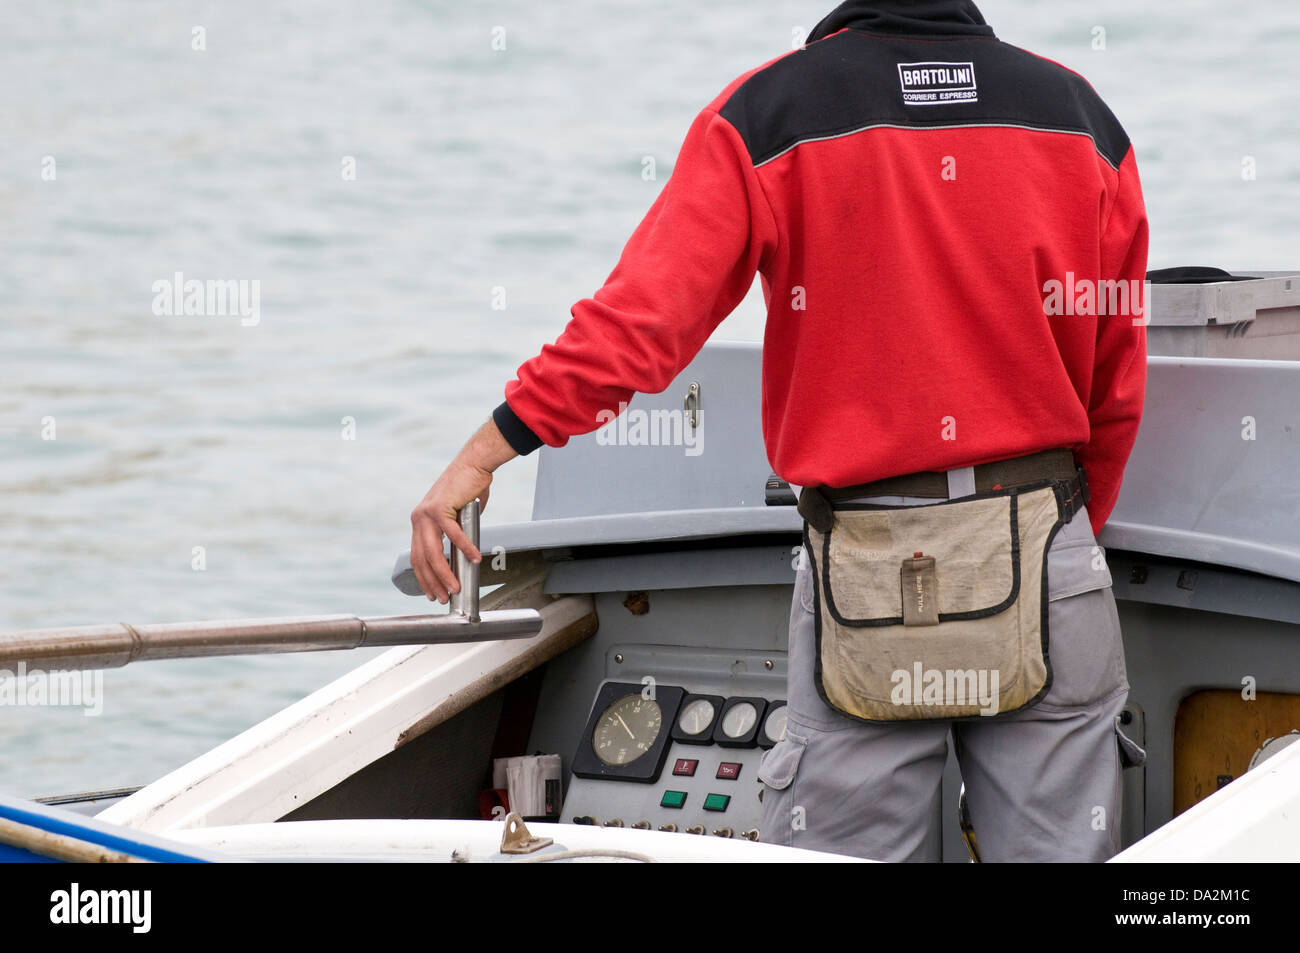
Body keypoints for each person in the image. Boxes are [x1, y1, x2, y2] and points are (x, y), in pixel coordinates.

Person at [408, 0, 1147, 862]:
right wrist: (1063, 546)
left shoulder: (767, 116)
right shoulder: (1081, 117)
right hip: (1046, 544)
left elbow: (639, 329)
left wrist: (486, 448)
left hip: (867, 573)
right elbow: (1117, 383)